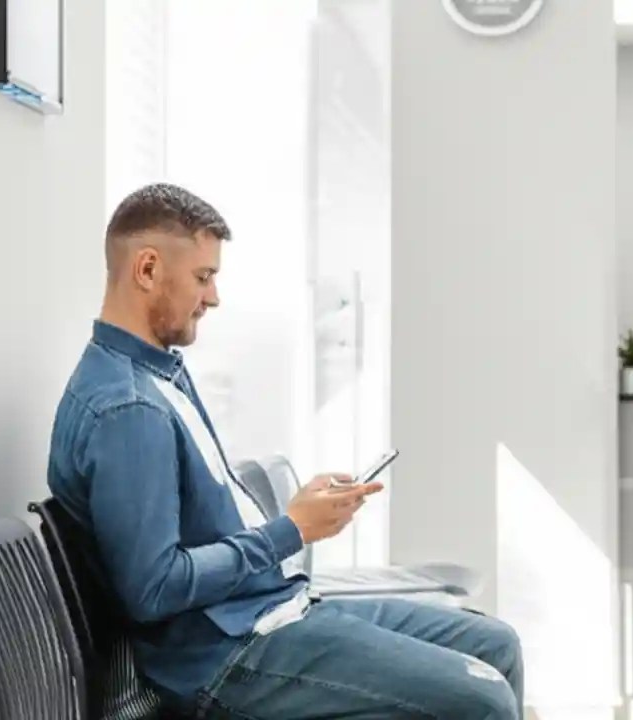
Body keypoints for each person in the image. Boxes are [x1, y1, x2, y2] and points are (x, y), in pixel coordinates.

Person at [47, 184, 524, 719]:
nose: (213, 297)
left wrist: (299, 515)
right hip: (229, 656)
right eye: (203, 277)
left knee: (497, 646)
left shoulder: (159, 376)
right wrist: (291, 530)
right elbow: (154, 588)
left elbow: (202, 523)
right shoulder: (128, 410)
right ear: (148, 269)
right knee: (483, 699)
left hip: (268, 611)